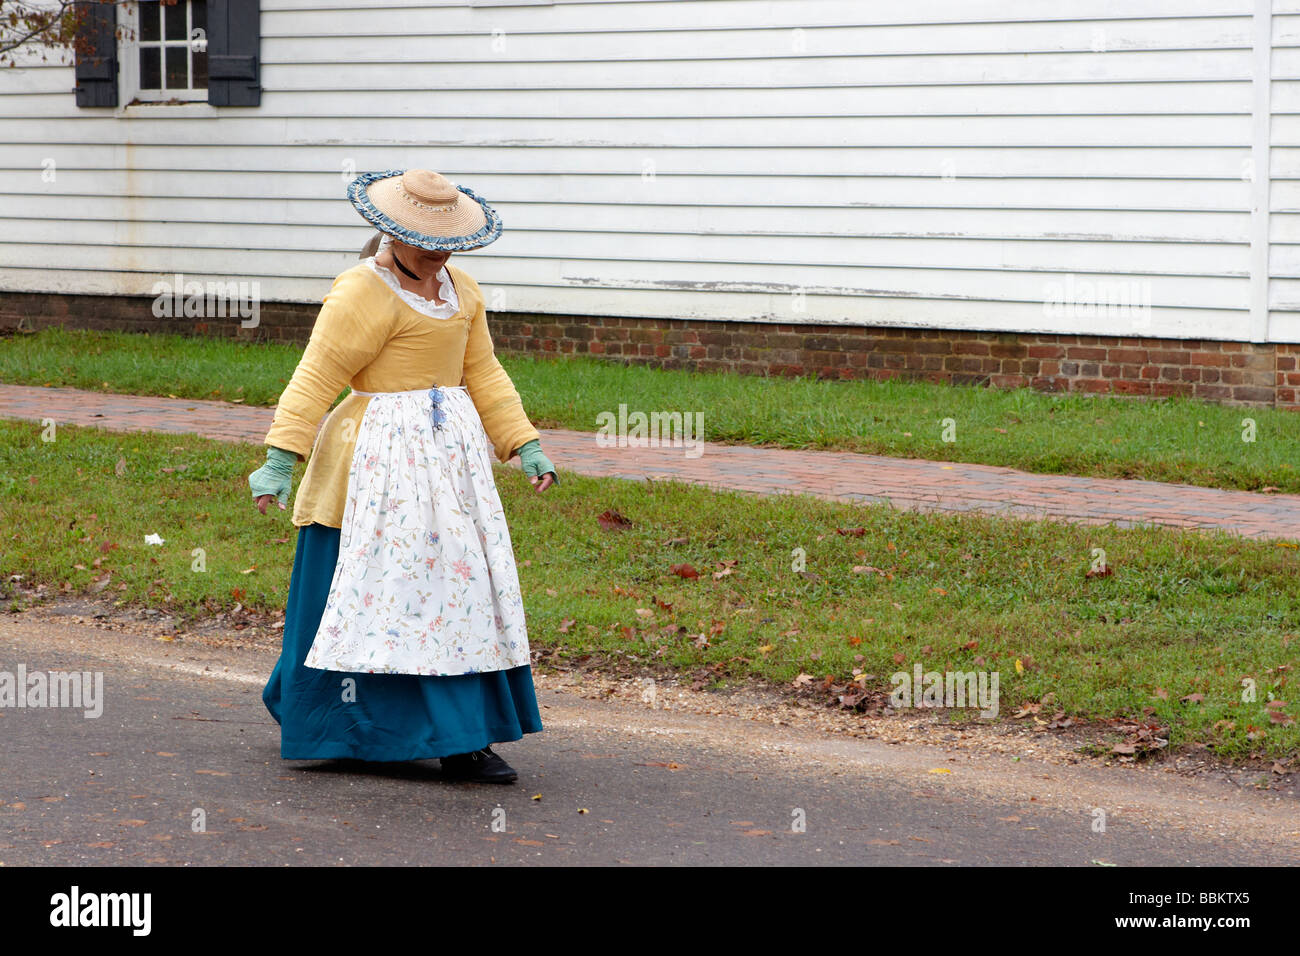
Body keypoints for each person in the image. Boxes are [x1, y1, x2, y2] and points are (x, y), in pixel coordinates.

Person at [248, 168, 557, 784]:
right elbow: (316, 376)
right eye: (425, 239)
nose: (438, 250)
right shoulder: (361, 292)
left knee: (453, 592)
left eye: (448, 240)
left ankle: (462, 736)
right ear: (390, 230)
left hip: (451, 465)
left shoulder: (462, 290)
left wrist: (524, 443)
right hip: (375, 464)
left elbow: (485, 374)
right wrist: (281, 458)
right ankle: (343, 726)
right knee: (376, 586)